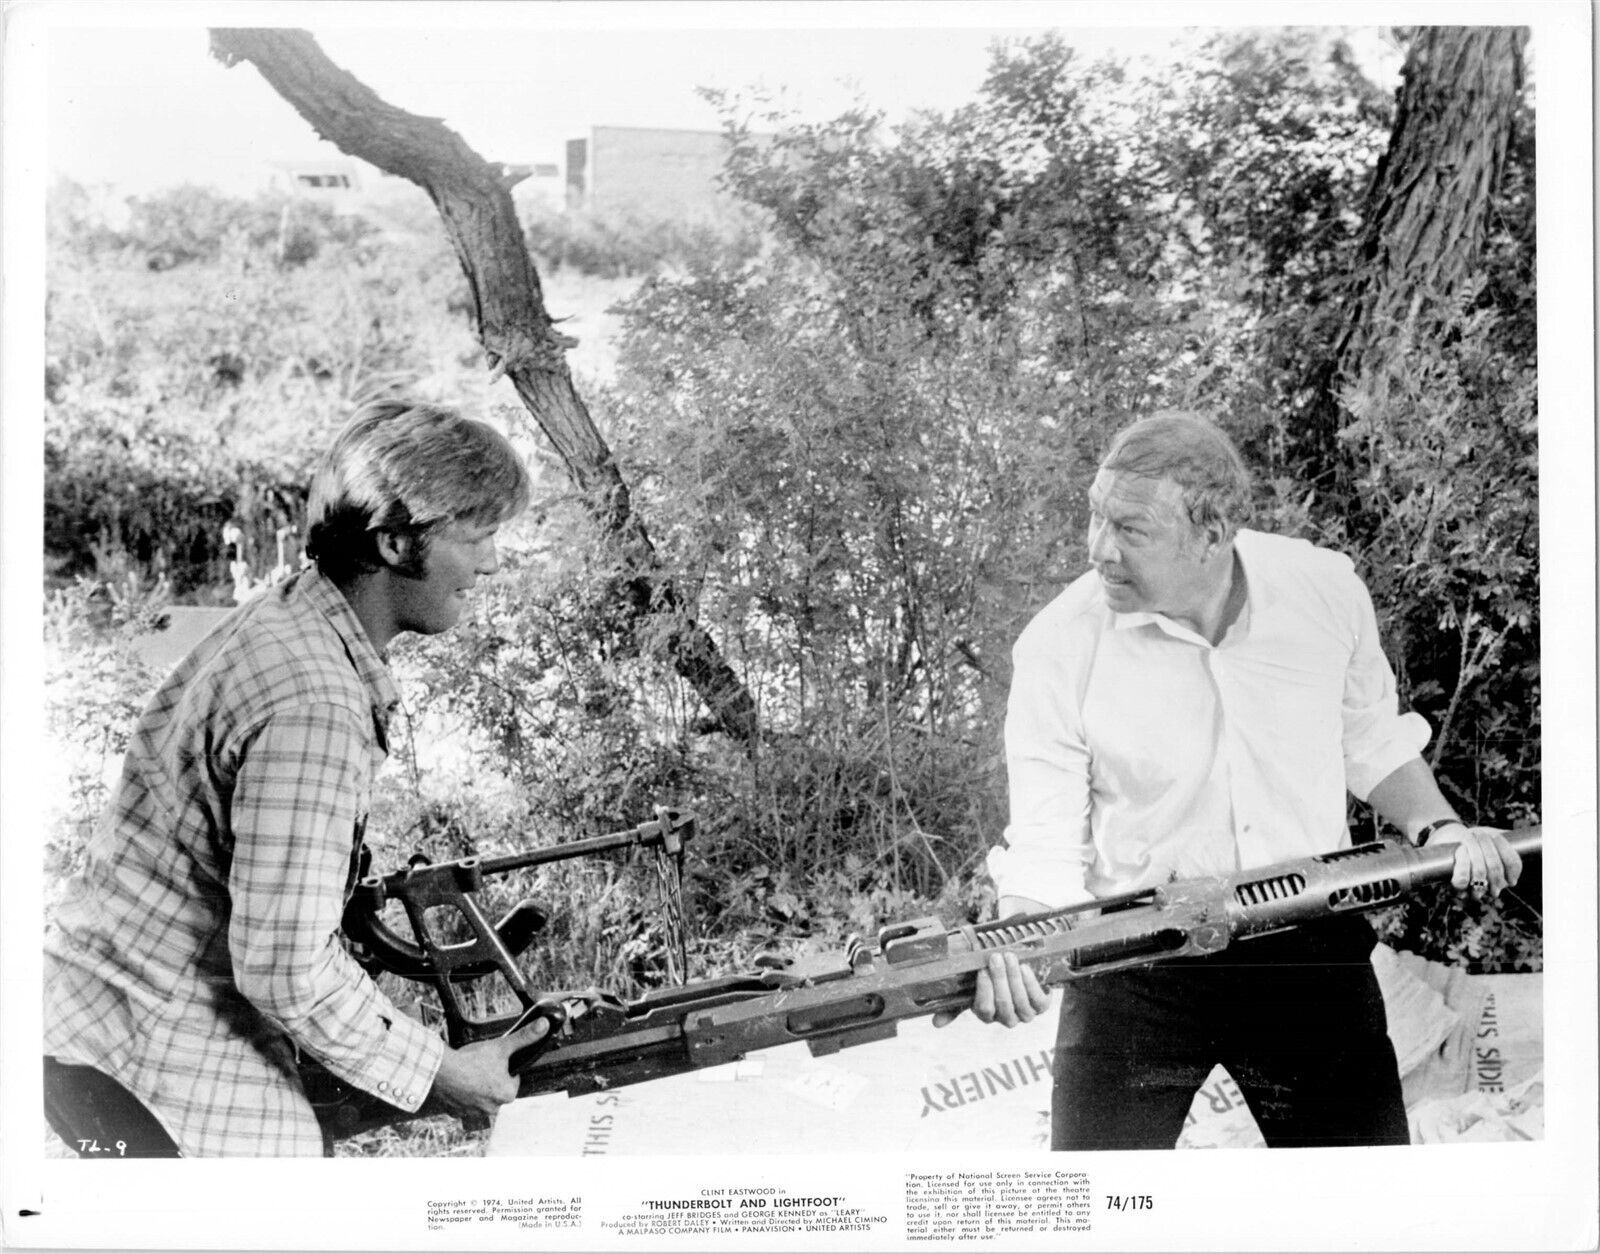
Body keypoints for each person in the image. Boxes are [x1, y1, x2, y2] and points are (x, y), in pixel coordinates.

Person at [966, 412, 1522, 1151]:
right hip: (1136, 960)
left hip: (1307, 945)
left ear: (1213, 532)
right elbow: (1043, 842)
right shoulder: (1059, 646)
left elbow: (1370, 738)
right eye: (1096, 518)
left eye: (1130, 530)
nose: (1099, 550)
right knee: (1094, 1211)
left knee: (1366, 1209)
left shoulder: (1323, 591)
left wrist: (1441, 828)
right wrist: (1020, 948)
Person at [43, 397, 551, 1157]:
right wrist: (440, 1071)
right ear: (392, 543)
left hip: (89, 1010)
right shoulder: (314, 700)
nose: (492, 561)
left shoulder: (289, 618)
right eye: (476, 535)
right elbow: (282, 970)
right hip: (148, 1053)